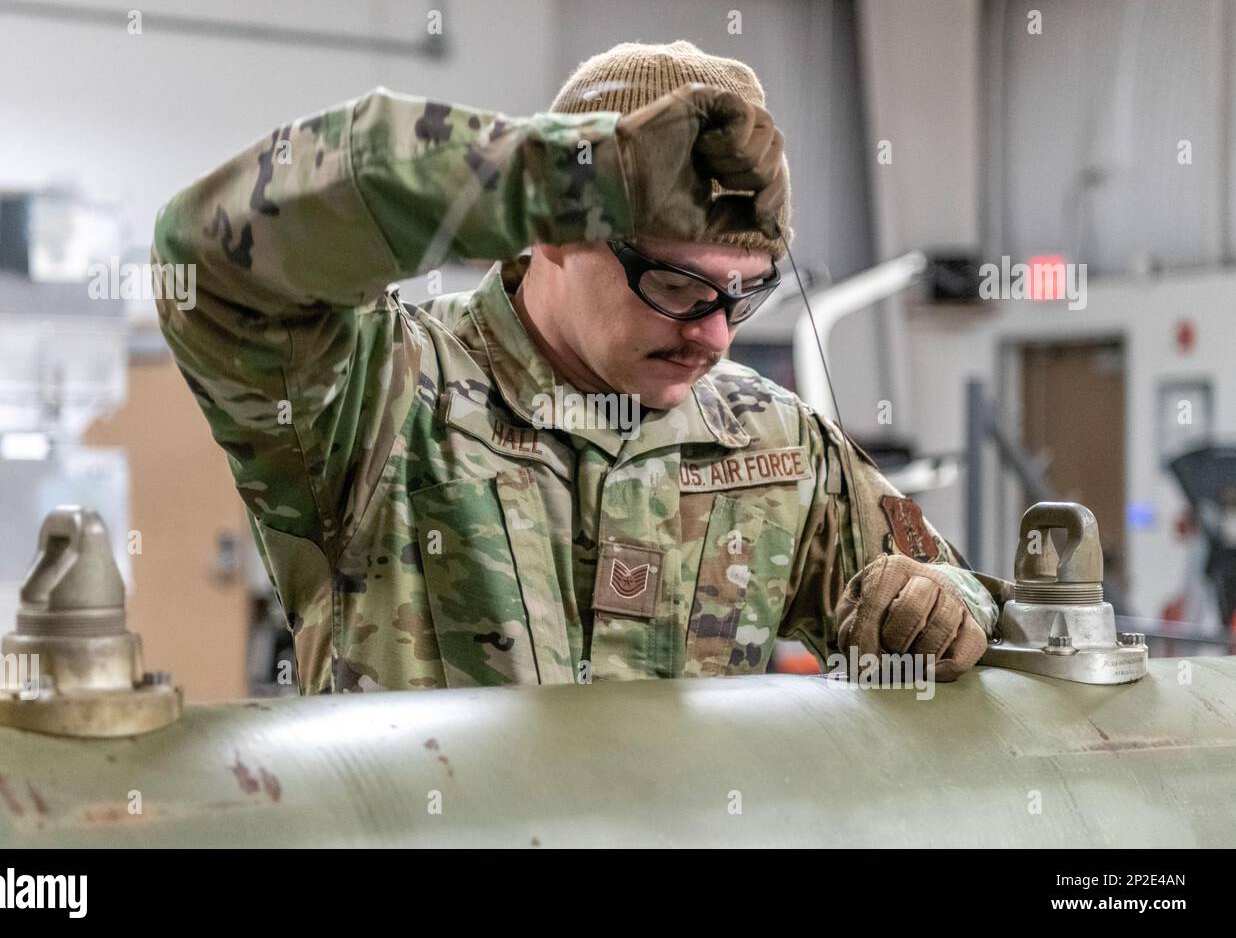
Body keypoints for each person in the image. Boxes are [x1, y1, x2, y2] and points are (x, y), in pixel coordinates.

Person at [153, 39, 1005, 692]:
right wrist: (551, 171)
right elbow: (207, 256)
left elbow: (962, 601)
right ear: (553, 231)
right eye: (677, 284)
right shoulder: (383, 401)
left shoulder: (770, 443)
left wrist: (938, 608)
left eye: (743, 295)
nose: (716, 338)